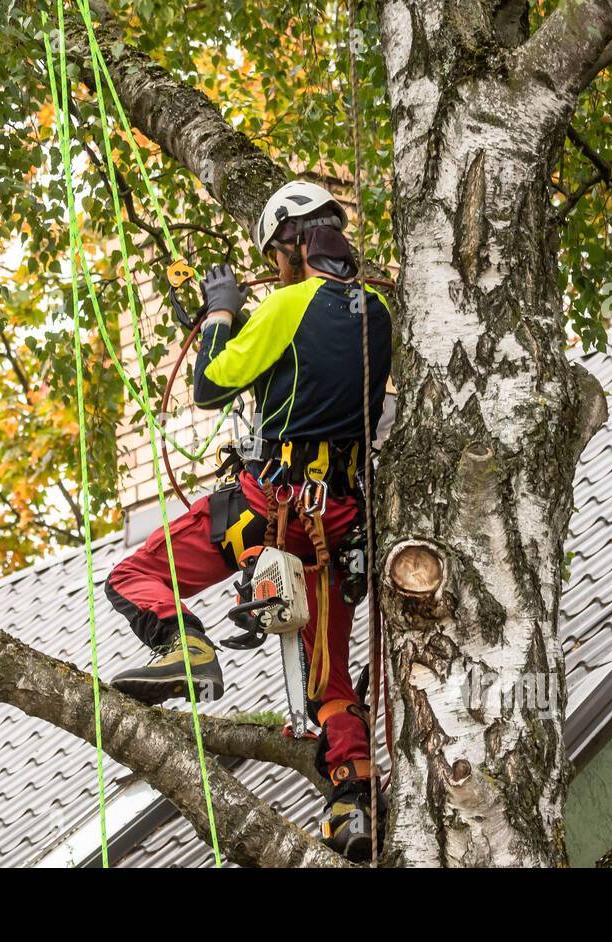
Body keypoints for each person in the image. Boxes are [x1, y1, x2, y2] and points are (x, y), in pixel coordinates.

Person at [104, 181, 392, 861]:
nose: (278, 264)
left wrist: (220, 316)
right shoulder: (378, 310)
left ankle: (189, 650)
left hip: (272, 509)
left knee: (135, 572)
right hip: (341, 520)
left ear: (293, 242)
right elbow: (309, 380)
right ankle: (353, 803)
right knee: (332, 680)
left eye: (277, 251)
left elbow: (209, 386)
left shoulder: (285, 306)